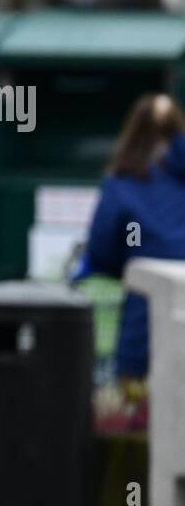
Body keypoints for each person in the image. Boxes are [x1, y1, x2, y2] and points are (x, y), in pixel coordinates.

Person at [85, 93, 185, 384]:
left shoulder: (124, 184)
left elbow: (103, 250)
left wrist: (131, 264)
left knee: (141, 411)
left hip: (146, 311)